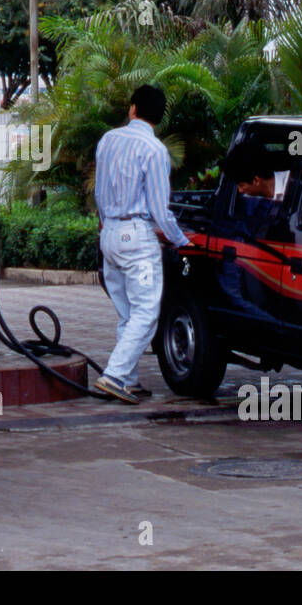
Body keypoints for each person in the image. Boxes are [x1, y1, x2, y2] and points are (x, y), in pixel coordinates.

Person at [92, 85, 191, 404]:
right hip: (137, 236)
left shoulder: (108, 140)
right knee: (146, 312)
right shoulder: (155, 150)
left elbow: (98, 192)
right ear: (158, 117)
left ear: (133, 109)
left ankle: (129, 379)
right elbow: (161, 211)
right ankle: (114, 376)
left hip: (109, 233)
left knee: (128, 312)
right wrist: (182, 241)